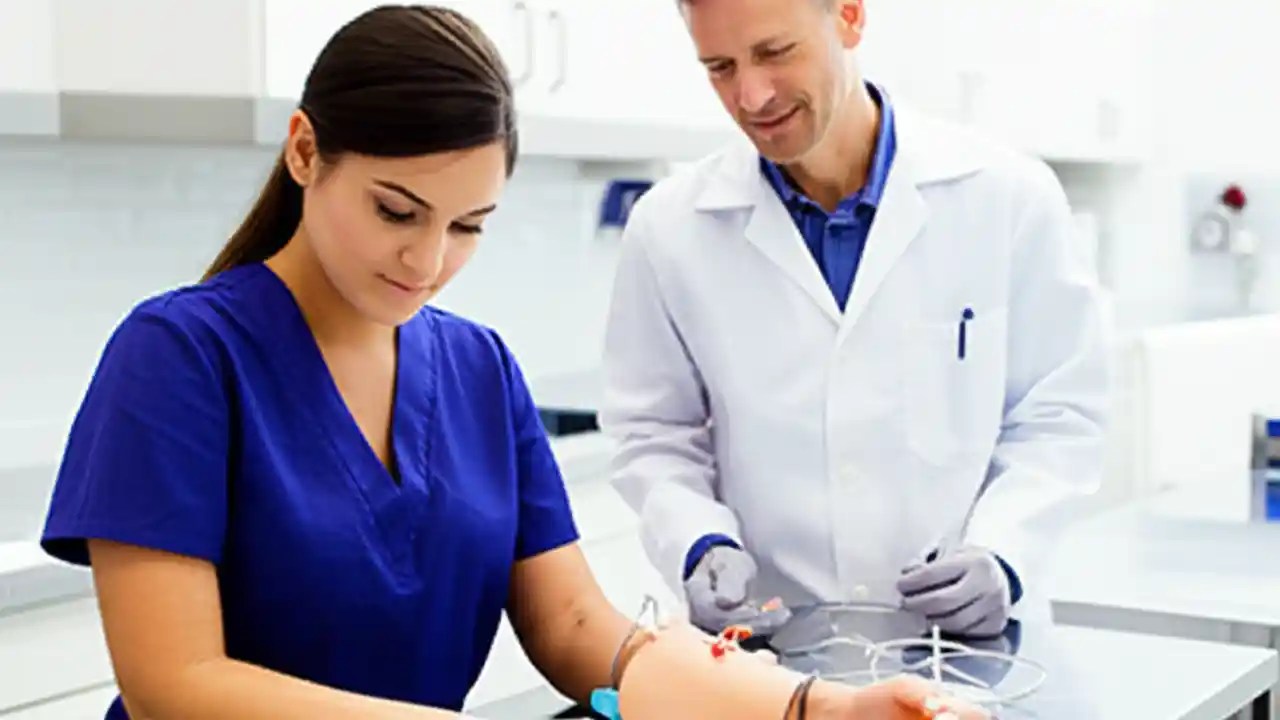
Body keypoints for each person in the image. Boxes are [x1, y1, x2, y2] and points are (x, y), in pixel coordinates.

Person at [39, 5, 988, 720]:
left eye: (468, 227)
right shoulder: (179, 358)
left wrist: (815, 706)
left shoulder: (479, 368)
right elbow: (175, 683)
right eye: (396, 211)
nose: (428, 261)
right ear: (304, 151)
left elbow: (578, 628)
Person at [601, 0, 1111, 641]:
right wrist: (697, 541)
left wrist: (1004, 555)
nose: (751, 95)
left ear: (848, 17)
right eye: (719, 67)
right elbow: (652, 432)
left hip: (965, 654)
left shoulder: (1007, 197)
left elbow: (1061, 415)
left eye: (774, 52)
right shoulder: (669, 228)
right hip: (772, 655)